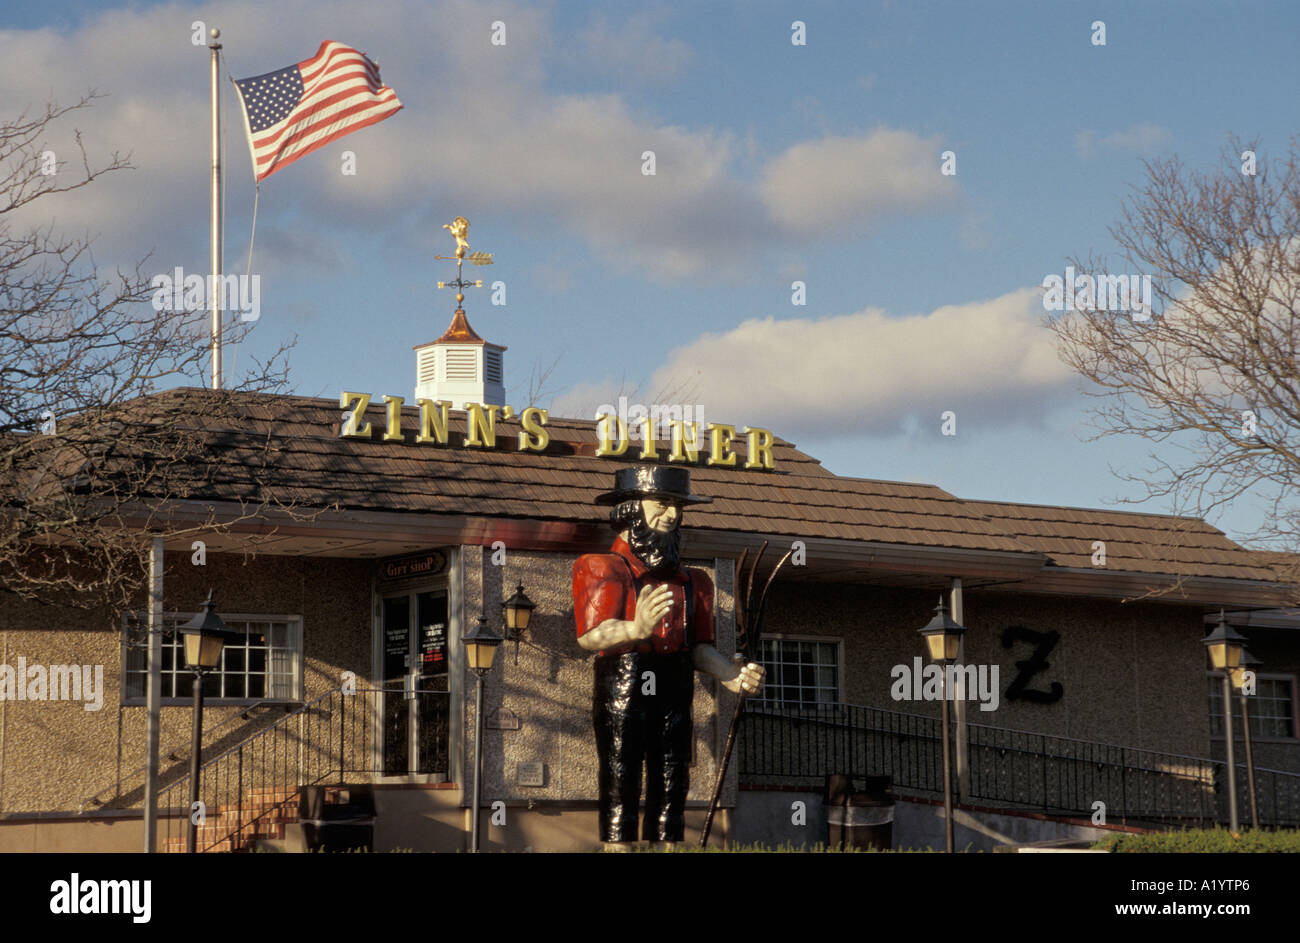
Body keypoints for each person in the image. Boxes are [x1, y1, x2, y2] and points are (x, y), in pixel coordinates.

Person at [572, 465, 765, 848]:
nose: (673, 515)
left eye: (679, 506)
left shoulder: (696, 582)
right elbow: (591, 636)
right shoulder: (602, 568)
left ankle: (669, 843)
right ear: (631, 508)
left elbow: (698, 649)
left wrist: (729, 672)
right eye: (663, 504)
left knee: (674, 773)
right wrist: (635, 629)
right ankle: (618, 846)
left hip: (675, 683)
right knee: (620, 771)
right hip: (623, 682)